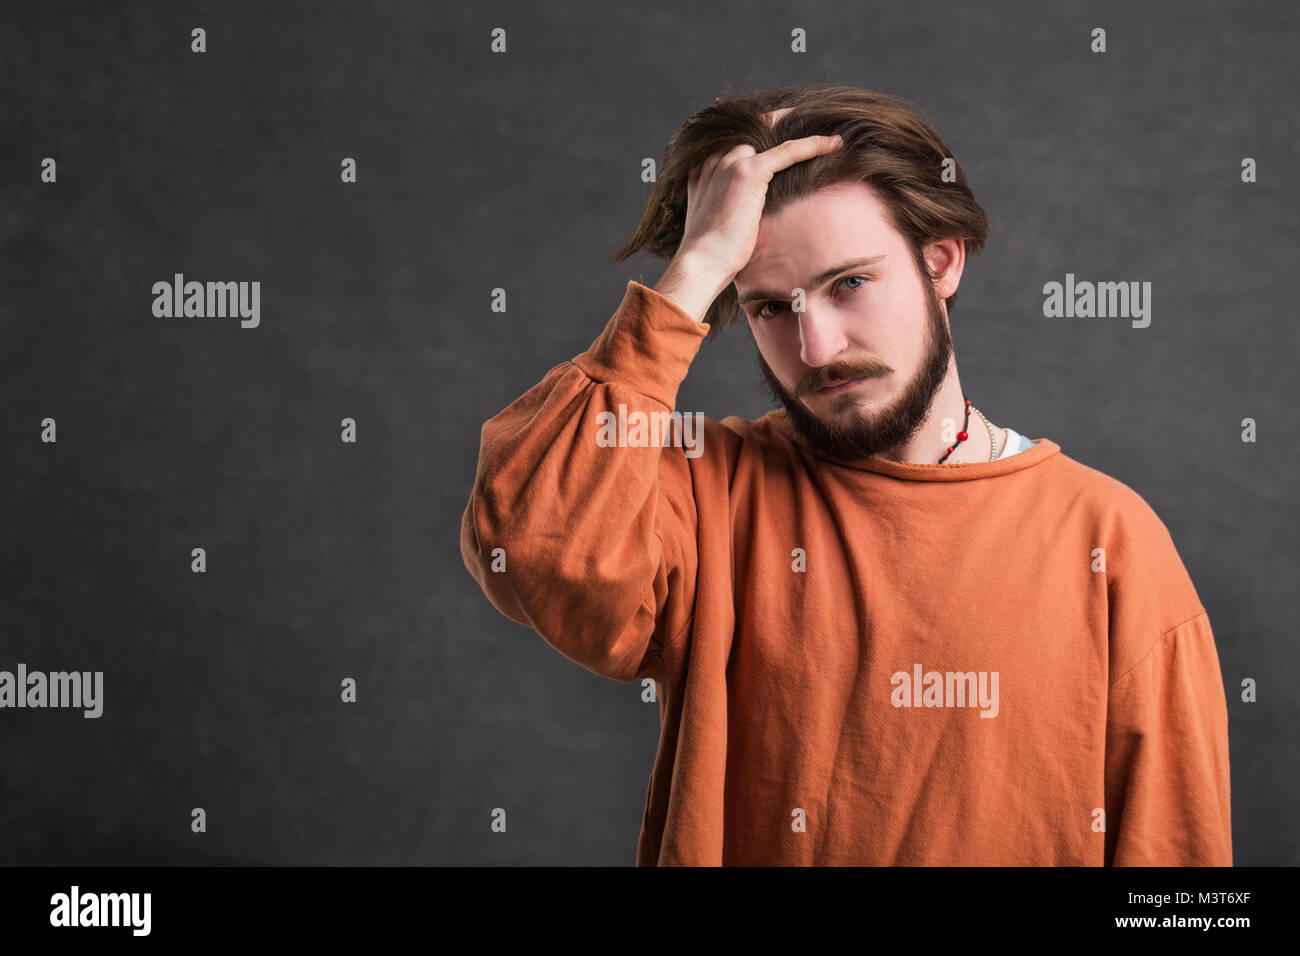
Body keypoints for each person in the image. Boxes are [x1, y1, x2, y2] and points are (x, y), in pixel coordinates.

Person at [459, 84, 1232, 866]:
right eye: (769, 308)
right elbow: (526, 544)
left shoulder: (1109, 540)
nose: (818, 347)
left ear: (941, 262)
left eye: (849, 284)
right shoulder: (705, 493)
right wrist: (694, 272)